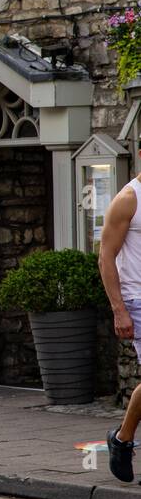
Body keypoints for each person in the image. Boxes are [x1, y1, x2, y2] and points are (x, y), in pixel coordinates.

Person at [100, 175, 141, 482]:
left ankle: (123, 439)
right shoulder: (129, 198)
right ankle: (122, 439)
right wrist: (119, 310)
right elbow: (106, 256)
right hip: (137, 300)